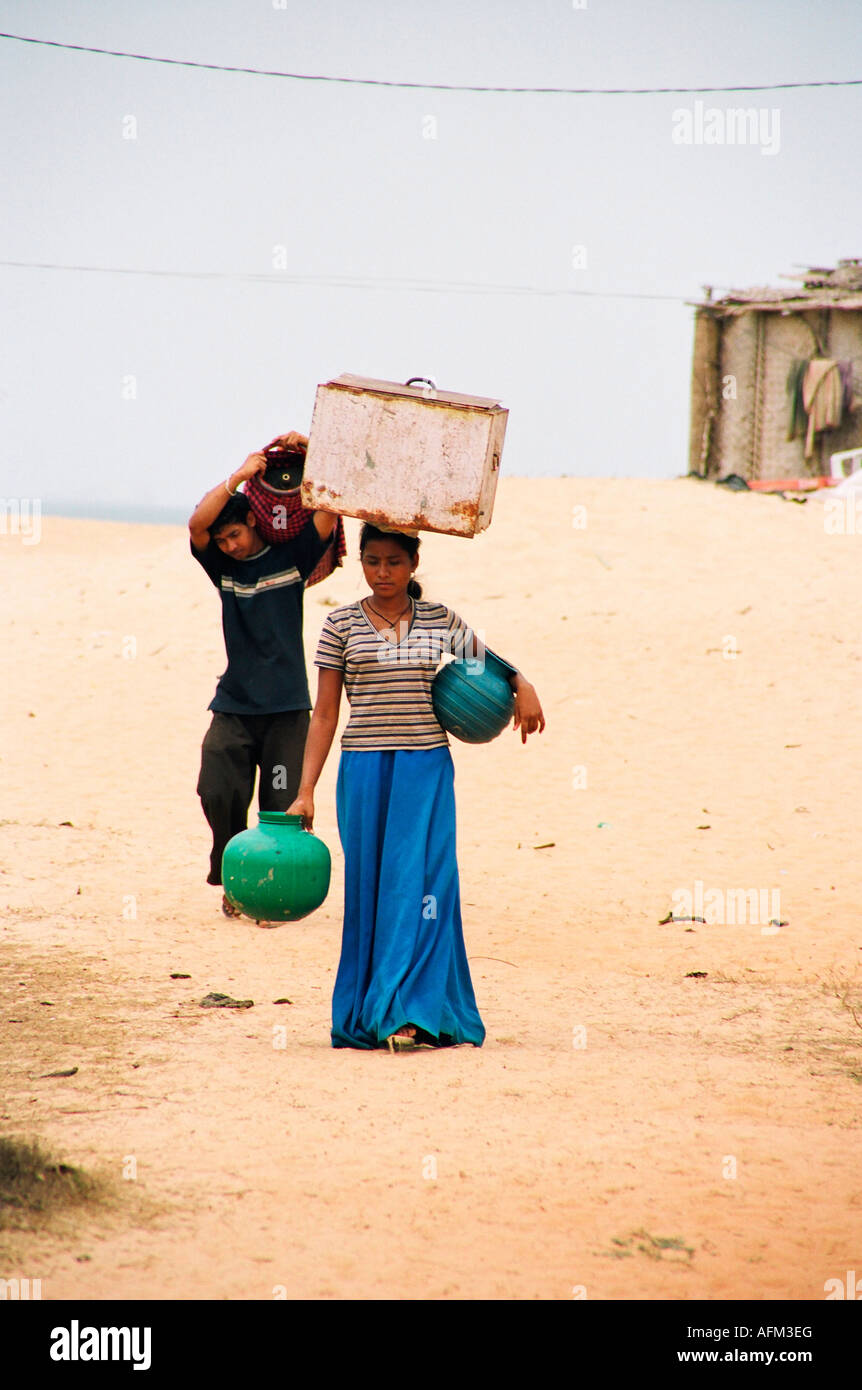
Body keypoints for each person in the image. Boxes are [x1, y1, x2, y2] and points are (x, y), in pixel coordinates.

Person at [287, 524, 545, 1050]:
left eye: (395, 562)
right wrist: (304, 789)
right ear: (360, 561)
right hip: (363, 772)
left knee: (428, 888)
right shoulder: (339, 625)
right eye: (373, 561)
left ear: (413, 564)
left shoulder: (439, 620)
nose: (383, 573)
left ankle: (417, 1010)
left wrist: (524, 684)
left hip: (426, 769)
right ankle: (378, 1008)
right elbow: (325, 715)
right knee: (374, 891)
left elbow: (491, 663)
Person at [188, 433, 338, 915]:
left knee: (278, 805)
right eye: (224, 538)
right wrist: (240, 475)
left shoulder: (291, 558)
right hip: (234, 706)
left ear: (254, 520)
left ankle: (269, 894)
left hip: (287, 712)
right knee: (217, 786)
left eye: (236, 534)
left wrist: (311, 451)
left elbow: (331, 507)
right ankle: (231, 873)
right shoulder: (221, 569)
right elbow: (197, 525)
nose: (229, 544)